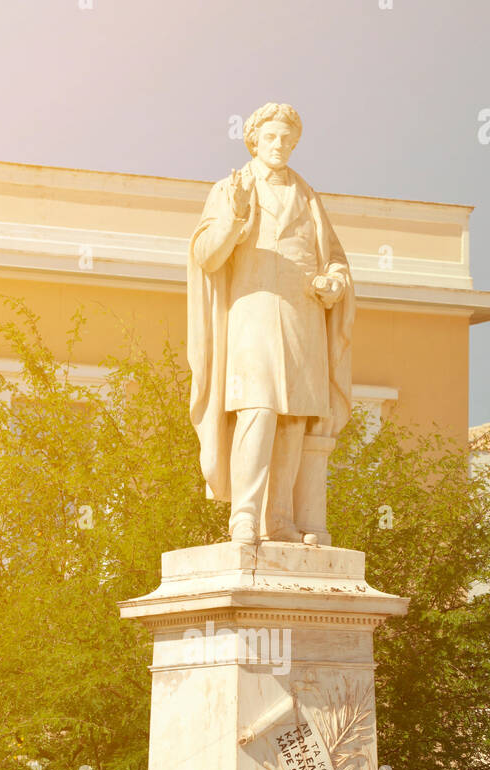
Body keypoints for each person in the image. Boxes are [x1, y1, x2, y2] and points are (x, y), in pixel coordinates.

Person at [188, 102, 355, 545]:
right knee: (257, 410)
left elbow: (336, 258)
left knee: (293, 419)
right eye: (272, 137)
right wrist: (236, 218)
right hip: (252, 315)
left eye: (288, 139)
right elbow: (206, 255)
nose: (280, 145)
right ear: (254, 141)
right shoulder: (231, 189)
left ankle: (279, 518)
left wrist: (334, 284)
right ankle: (244, 517)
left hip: (302, 318)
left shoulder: (307, 195)